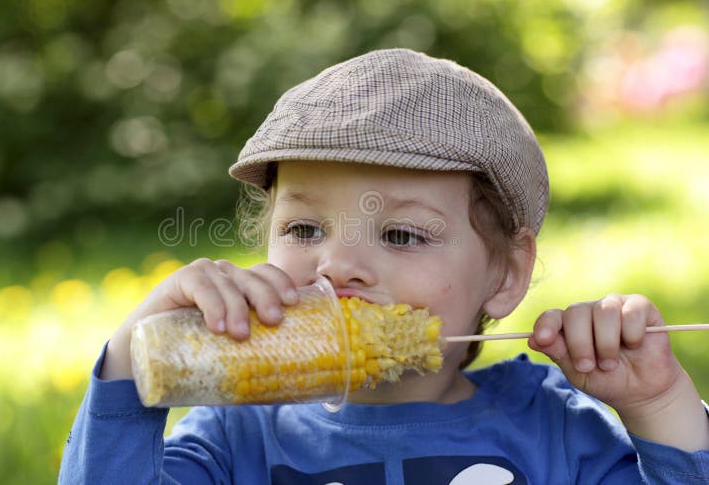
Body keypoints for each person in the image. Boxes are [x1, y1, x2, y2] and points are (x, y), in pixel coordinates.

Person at [59, 49, 709, 484]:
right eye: (304, 228)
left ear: (506, 274)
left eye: (401, 233)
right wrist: (134, 362)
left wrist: (658, 405)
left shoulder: (559, 435)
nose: (337, 265)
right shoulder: (236, 439)